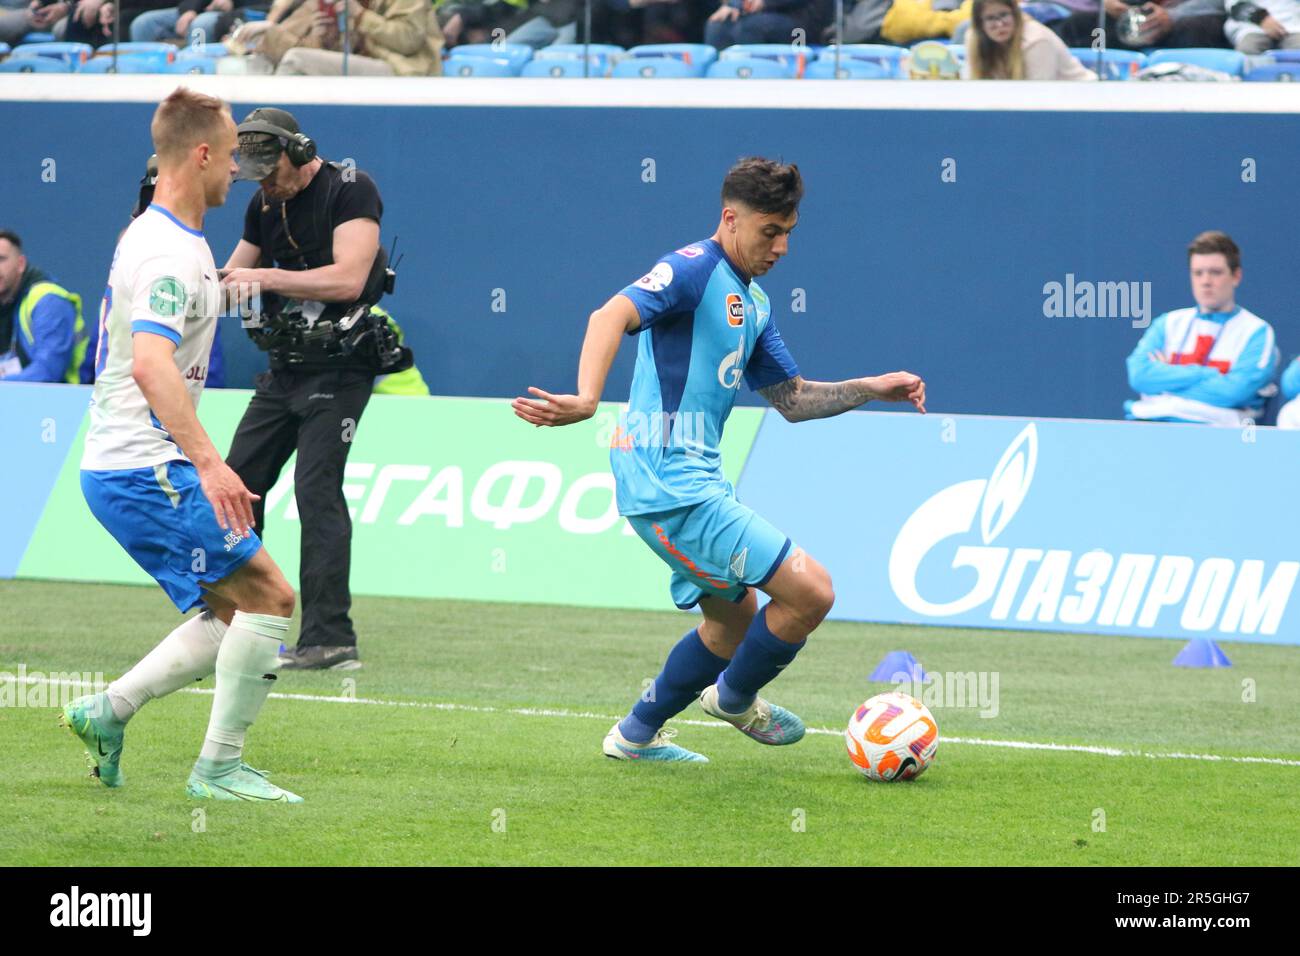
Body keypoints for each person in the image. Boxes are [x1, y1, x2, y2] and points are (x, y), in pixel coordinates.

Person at [512, 157, 927, 762]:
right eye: (770, 231)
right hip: (669, 484)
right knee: (812, 593)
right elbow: (610, 314)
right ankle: (732, 700)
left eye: (790, 232)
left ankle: (633, 737)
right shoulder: (691, 269)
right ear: (731, 219)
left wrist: (871, 387)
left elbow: (792, 400)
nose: (782, 246)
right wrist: (587, 397)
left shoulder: (753, 306)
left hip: (694, 483)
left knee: (733, 625)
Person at [61, 88, 303, 803]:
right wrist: (211, 463)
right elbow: (149, 362)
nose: (239, 170)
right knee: (271, 595)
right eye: (231, 156)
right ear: (201, 155)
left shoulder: (174, 239)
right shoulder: (168, 249)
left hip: (133, 465)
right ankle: (218, 770)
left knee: (234, 611)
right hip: (143, 468)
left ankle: (107, 712)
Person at [220, 107, 407, 671]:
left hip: (342, 365)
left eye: (271, 172)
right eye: (255, 177)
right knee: (236, 487)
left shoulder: (351, 189)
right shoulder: (261, 203)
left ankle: (331, 639)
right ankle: (242, 625)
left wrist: (267, 278)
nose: (266, 187)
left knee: (315, 491)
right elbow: (230, 282)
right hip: (286, 366)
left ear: (299, 153)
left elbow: (350, 277)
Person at [1125, 230, 1278, 426]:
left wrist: (1168, 378)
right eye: (1198, 273)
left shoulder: (1257, 332)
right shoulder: (1168, 323)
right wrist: (1206, 374)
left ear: (1236, 276)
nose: (1205, 281)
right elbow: (1139, 376)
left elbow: (1235, 392)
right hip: (1154, 427)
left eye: (1215, 272)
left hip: (1222, 438)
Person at [0, 230, 86, 384]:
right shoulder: (5, 304)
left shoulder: (48, 301)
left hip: (69, 403)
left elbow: (48, 371)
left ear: (20, 264)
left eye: (1, 259)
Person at [966, 0, 1095, 79]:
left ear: (1015, 14)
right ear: (979, 24)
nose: (999, 24)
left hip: (1079, 102)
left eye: (1004, 15)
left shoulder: (1037, 41)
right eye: (990, 18)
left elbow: (1039, 97)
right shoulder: (973, 38)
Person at [1225, 0, 1300, 53]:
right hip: (1252, 27)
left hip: (1292, 26)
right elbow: (1236, 7)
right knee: (1248, 50)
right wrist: (1261, 17)